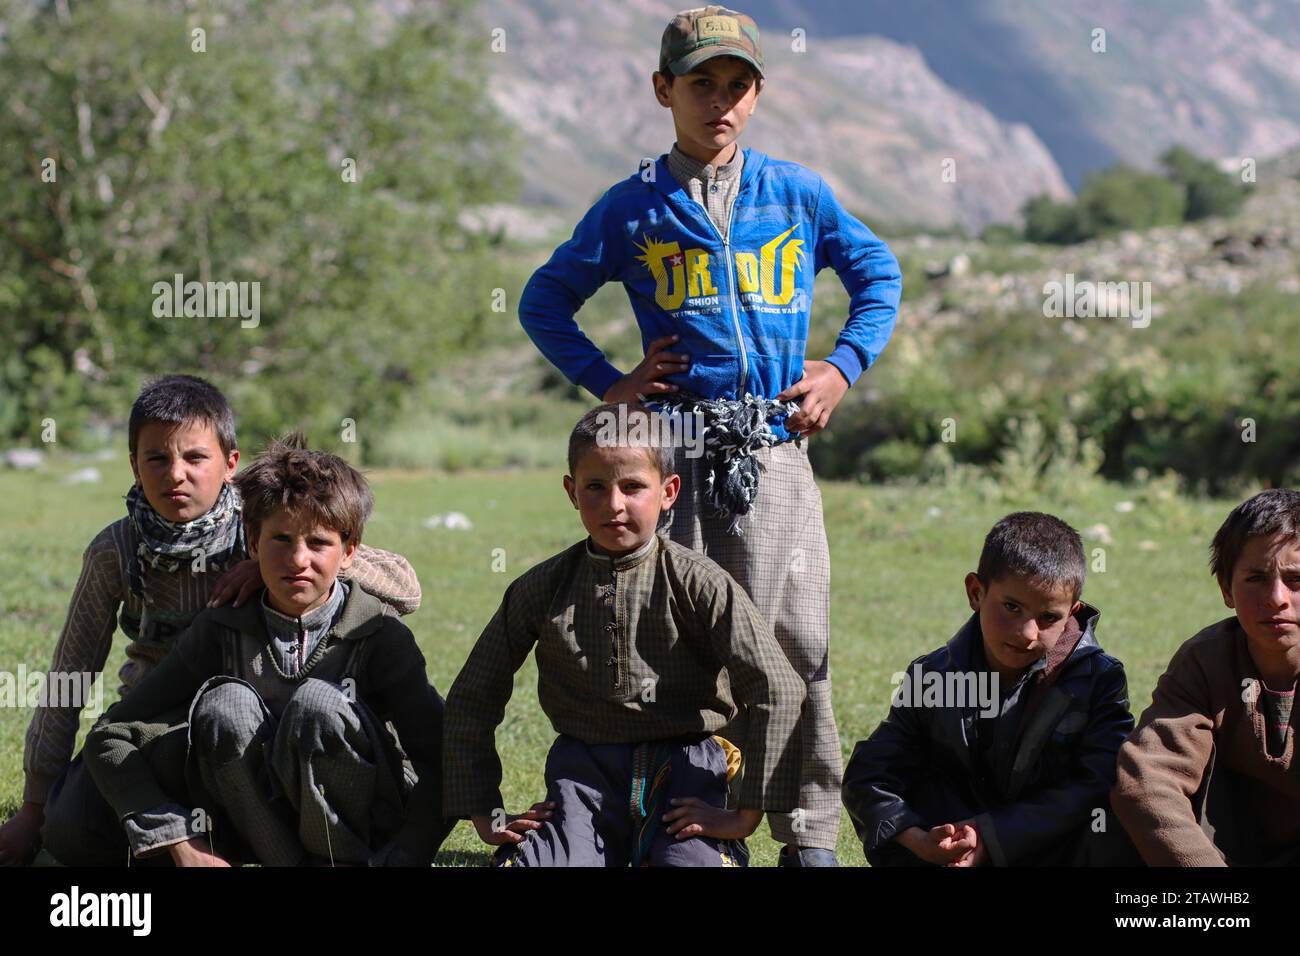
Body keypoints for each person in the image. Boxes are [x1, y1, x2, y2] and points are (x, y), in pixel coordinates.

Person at [517, 5, 902, 865]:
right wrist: (610, 385)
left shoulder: (796, 193)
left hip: (773, 447)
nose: (719, 102)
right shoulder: (632, 207)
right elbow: (543, 300)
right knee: (689, 645)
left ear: (758, 95)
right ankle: (686, 821)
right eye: (701, 85)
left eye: (738, 85)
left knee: (796, 645)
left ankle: (806, 832)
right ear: (665, 90)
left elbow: (879, 271)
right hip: (675, 454)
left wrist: (841, 367)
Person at [0, 374, 422, 866]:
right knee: (72, 831)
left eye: (196, 458)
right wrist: (33, 808)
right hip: (162, 728)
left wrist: (265, 560)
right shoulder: (116, 550)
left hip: (260, 723)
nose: (175, 474)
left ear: (231, 464)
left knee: (237, 718)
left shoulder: (271, 524)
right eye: (156, 458)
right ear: (134, 466)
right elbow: (69, 677)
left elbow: (404, 586)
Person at [442, 403, 806, 866]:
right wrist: (484, 813)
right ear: (572, 492)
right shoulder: (542, 587)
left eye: (633, 487)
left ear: (668, 491)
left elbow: (779, 687)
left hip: (685, 780)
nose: (614, 504)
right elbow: (473, 696)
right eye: (596, 487)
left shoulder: (700, 582)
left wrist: (745, 815)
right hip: (582, 780)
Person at [83, 433, 450, 866]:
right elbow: (111, 736)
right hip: (258, 832)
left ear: (349, 552)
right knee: (225, 706)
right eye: (280, 540)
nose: (297, 560)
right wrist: (178, 839)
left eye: (318, 543)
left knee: (318, 705)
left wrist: (407, 853)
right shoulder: (221, 630)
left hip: (366, 827)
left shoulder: (379, 634)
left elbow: (444, 758)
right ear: (253, 543)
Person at [842, 512, 1135, 866]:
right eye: (1011, 607)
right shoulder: (933, 675)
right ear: (976, 592)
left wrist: (992, 838)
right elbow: (870, 777)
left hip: (1050, 851)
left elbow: (1098, 784)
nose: (1027, 633)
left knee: (1113, 813)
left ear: (1072, 613)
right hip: (948, 853)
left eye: (1048, 618)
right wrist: (921, 840)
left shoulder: (1098, 681)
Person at [1114, 488, 1300, 866]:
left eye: (1295, 579)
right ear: (1225, 588)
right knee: (1109, 834)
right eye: (1256, 578)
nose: (1277, 597)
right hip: (1224, 855)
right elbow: (1148, 781)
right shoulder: (1205, 662)